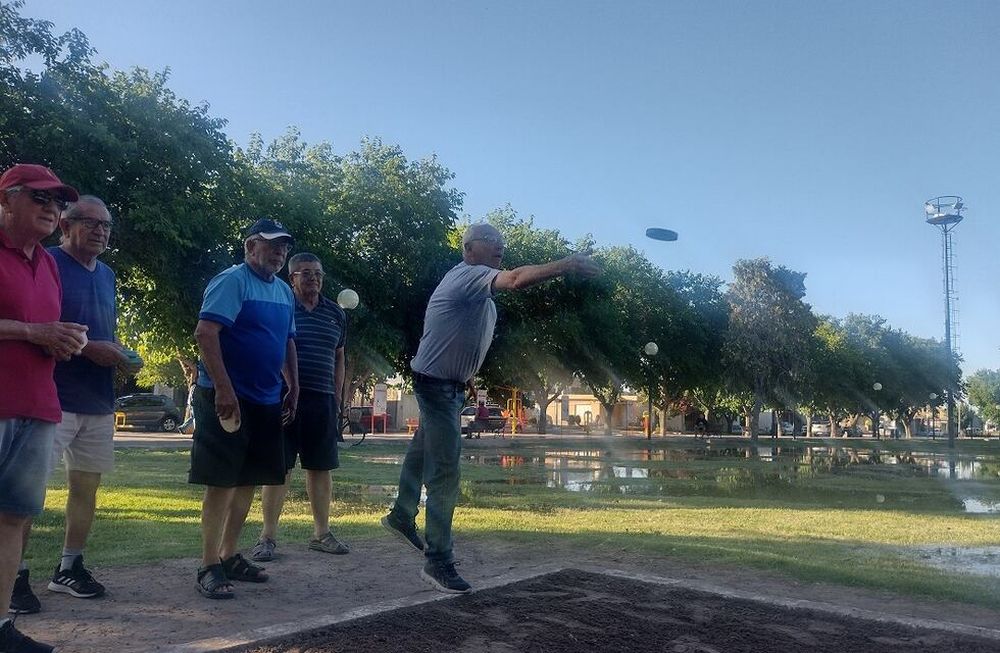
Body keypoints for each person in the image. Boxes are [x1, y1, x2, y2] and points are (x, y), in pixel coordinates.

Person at [381, 223, 600, 593]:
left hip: (449, 386)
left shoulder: (482, 299)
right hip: (435, 386)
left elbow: (451, 334)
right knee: (445, 473)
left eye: (503, 241)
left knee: (421, 454)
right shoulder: (467, 276)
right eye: (492, 241)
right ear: (469, 248)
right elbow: (515, 279)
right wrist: (566, 265)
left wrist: (466, 377)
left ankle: (402, 515)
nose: (501, 246)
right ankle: (438, 561)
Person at [13, 196, 142, 616]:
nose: (102, 231)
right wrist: (92, 349)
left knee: (85, 489)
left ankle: (69, 567)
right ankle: (14, 574)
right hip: (51, 395)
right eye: (91, 222)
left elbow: (101, 329)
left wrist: (119, 354)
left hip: (98, 398)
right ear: (65, 226)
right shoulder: (47, 263)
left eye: (107, 224)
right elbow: (42, 325)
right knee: (28, 496)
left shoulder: (106, 274)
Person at [189, 218, 298, 600]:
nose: (279, 252)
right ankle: (207, 565)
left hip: (267, 399)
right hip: (226, 399)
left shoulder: (285, 291)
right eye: (271, 245)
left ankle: (229, 554)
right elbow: (206, 333)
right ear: (250, 246)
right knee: (221, 482)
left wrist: (293, 385)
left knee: (248, 479)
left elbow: (287, 343)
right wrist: (223, 388)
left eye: (283, 246)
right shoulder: (232, 280)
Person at [1, 164, 85, 653]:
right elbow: (31, 326)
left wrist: (62, 339)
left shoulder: (50, 262)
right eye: (41, 198)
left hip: (38, 403)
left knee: (12, 518)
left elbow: (43, 322)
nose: (53, 209)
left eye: (59, 202)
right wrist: (32, 332)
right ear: (7, 197)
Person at [251, 252, 348, 562]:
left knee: (321, 467)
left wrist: (338, 397)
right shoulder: (281, 306)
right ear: (290, 278)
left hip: (322, 400)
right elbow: (271, 347)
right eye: (305, 273)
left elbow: (340, 357)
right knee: (278, 469)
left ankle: (321, 534)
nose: (313, 279)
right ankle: (267, 537)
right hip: (281, 398)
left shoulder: (335, 313)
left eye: (317, 273)